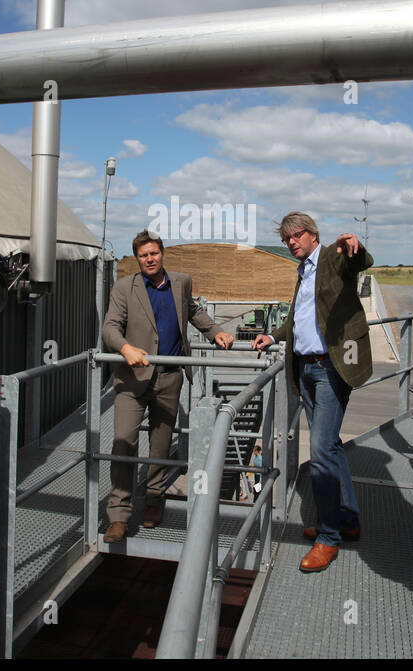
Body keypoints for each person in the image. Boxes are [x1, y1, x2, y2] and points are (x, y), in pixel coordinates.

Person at [253, 212, 372, 573]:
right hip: (304, 368)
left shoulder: (333, 258)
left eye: (297, 235)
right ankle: (347, 520)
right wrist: (274, 336)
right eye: (287, 238)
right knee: (331, 447)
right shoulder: (302, 271)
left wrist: (354, 246)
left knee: (319, 451)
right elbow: (298, 319)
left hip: (330, 368)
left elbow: (358, 261)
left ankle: (328, 536)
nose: (292, 242)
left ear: (312, 234)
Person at [101, 230, 234, 542]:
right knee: (123, 440)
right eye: (143, 255)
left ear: (162, 254)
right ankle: (119, 513)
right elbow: (110, 327)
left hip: (170, 376)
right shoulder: (124, 287)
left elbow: (192, 311)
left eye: (154, 253)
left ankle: (154, 501)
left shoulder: (180, 281)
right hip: (133, 377)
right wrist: (125, 349)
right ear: (137, 258)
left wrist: (216, 331)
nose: (150, 259)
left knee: (161, 443)